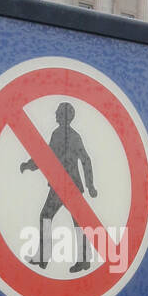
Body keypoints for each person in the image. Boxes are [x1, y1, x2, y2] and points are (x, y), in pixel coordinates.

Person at [20, 102, 97, 273]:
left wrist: (90, 185)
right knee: (69, 221)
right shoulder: (66, 135)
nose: (55, 114)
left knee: (50, 217)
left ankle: (46, 257)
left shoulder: (63, 135)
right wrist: (29, 165)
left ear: (63, 116)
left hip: (66, 186)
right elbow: (46, 156)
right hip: (66, 185)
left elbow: (83, 159)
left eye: (58, 113)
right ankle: (51, 257)